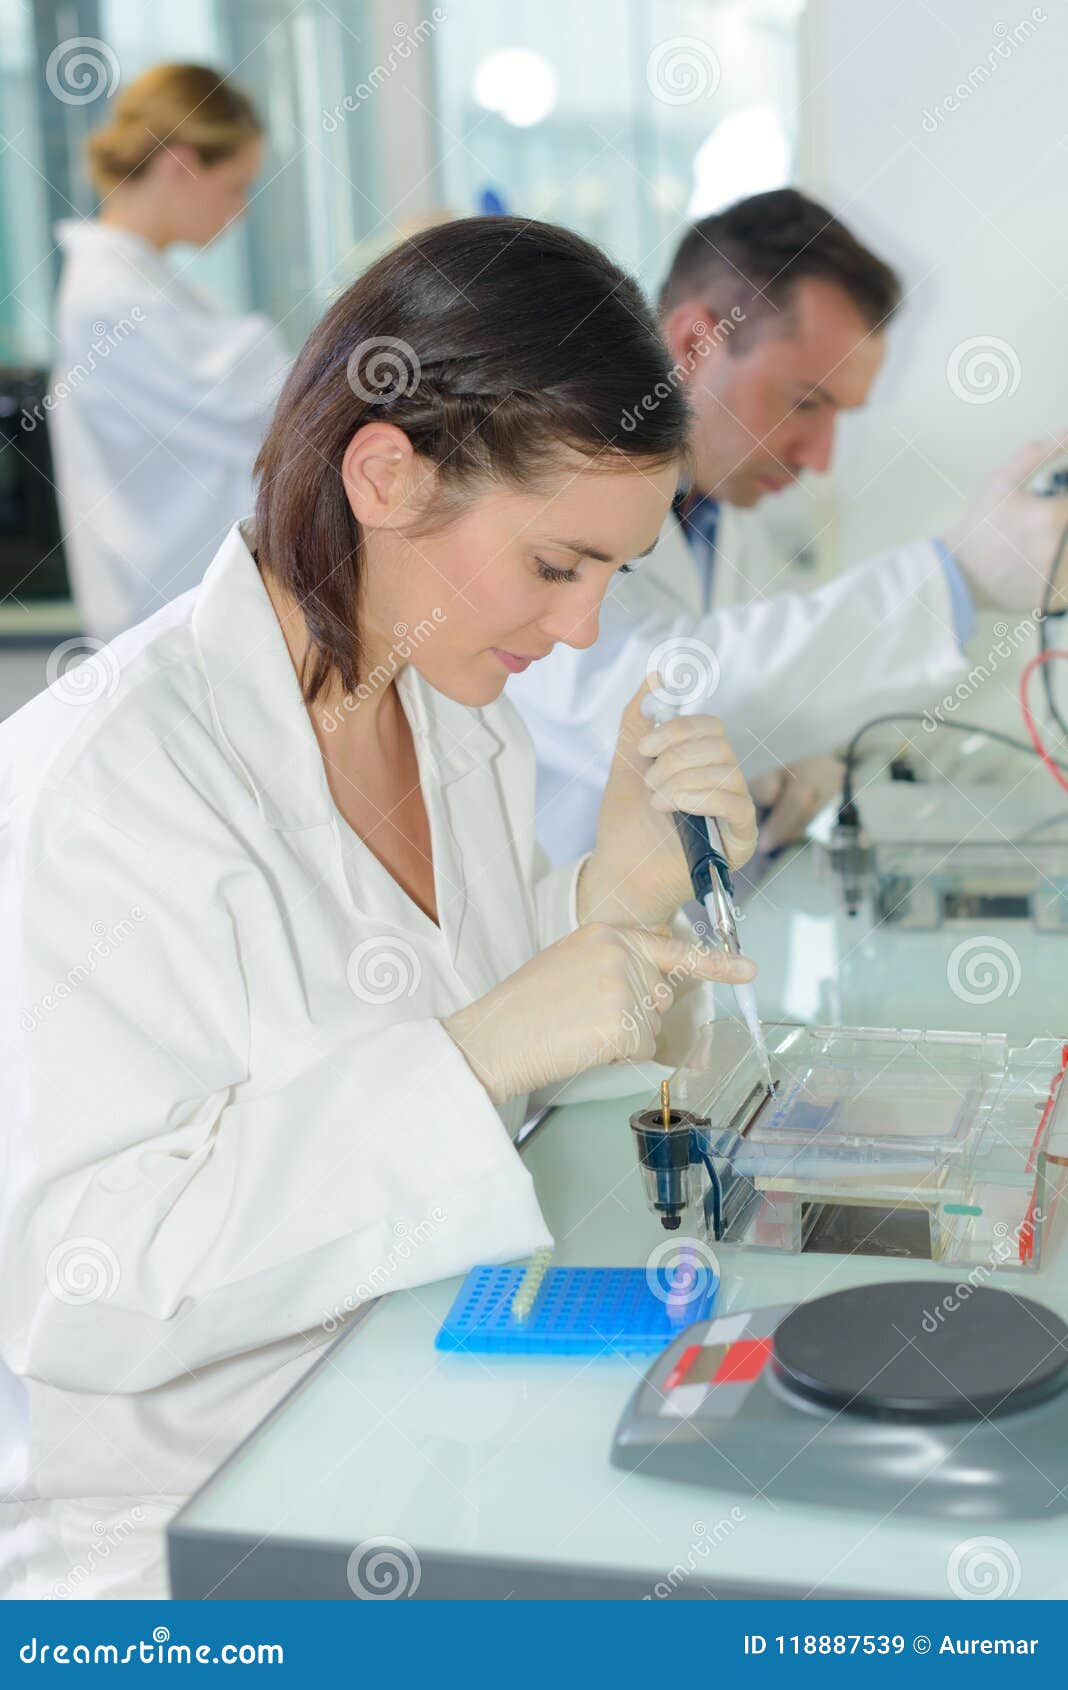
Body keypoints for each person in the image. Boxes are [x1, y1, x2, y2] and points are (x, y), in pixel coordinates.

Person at [0, 216, 758, 1599]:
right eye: (557, 564)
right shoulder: (104, 780)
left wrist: (618, 893)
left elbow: (476, 1041)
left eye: (616, 571)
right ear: (386, 475)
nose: (584, 628)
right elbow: (81, 1284)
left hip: (425, 1445)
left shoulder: (455, 713)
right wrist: (471, 1059)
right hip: (186, 1554)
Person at [509, 189, 1068, 862]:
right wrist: (957, 576)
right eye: (804, 403)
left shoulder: (721, 517)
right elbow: (630, 711)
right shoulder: (552, 487)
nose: (820, 456)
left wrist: (795, 749)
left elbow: (750, 677)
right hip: (535, 915)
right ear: (693, 345)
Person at [50, 63, 290, 641]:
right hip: (170, 625)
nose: (241, 208)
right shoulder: (111, 301)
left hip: (197, 619)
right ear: (180, 163)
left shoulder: (147, 287)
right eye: (236, 185)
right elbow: (268, 407)